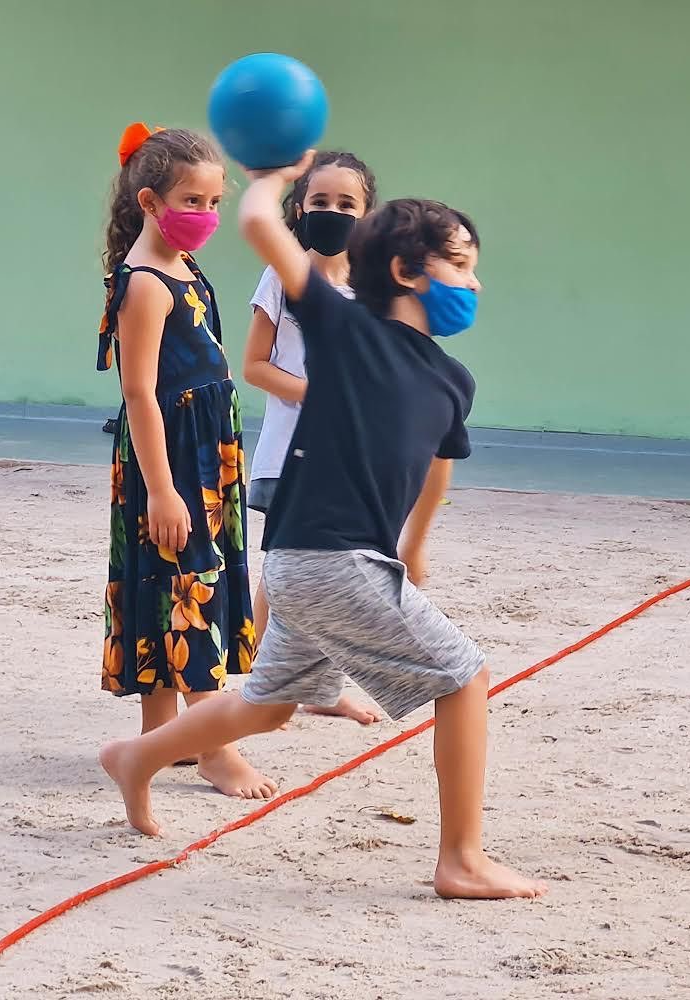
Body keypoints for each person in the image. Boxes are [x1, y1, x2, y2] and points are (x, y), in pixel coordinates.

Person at [100, 151, 547, 900]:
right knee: (464, 677)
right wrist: (277, 171)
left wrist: (416, 544)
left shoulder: (450, 377)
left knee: (267, 709)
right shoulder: (347, 329)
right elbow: (254, 223)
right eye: (462, 265)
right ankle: (461, 860)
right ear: (407, 271)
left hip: (335, 560)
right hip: (327, 559)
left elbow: (441, 461)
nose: (474, 284)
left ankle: (136, 757)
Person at [97, 122, 276, 800]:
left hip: (205, 452)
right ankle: (213, 748)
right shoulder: (144, 282)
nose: (206, 216)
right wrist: (163, 492)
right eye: (192, 202)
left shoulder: (183, 268)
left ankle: (158, 735)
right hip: (168, 459)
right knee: (187, 583)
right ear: (148, 202)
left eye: (213, 201)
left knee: (169, 581)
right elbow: (138, 392)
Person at [243, 150, 381, 726]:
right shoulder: (282, 277)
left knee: (338, 571)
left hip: (351, 461)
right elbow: (254, 365)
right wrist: (313, 394)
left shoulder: (377, 290)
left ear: (368, 215)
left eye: (346, 203)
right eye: (320, 201)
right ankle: (255, 675)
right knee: (282, 568)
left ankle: (320, 685)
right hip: (288, 457)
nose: (332, 212)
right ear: (299, 208)